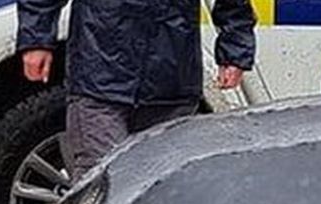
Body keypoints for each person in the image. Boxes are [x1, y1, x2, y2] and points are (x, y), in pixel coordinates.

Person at [17, 0, 256, 182]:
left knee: (161, 195)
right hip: (100, 77)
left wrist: (234, 49)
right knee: (100, 189)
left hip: (169, 81)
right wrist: (36, 40)